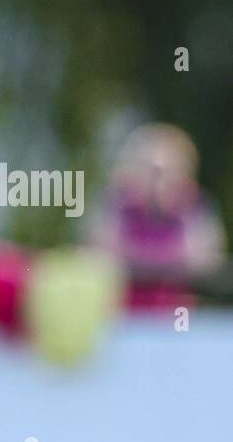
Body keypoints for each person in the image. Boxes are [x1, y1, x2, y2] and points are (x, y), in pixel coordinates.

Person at [90, 122, 225, 312]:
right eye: (147, 169)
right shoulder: (117, 204)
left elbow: (207, 261)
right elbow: (99, 257)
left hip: (177, 319)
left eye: (166, 171)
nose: (156, 181)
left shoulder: (193, 207)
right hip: (124, 318)